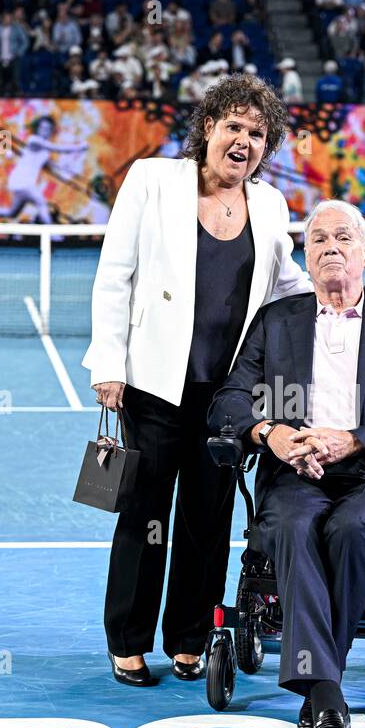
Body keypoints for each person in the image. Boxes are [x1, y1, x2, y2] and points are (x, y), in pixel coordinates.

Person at [81, 74, 312, 688]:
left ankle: (190, 637)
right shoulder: (152, 180)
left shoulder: (269, 205)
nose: (243, 140)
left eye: (257, 133)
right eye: (233, 126)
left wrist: (345, 304)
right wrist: (109, 364)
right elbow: (115, 275)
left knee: (208, 523)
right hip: (154, 386)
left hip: (225, 398)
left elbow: (285, 284)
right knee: (144, 514)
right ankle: (128, 640)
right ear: (208, 126)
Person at [207, 200, 365, 728]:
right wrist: (270, 434)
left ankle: (319, 685)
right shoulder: (277, 320)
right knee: (291, 525)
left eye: (343, 237)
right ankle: (328, 692)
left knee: (351, 528)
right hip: (297, 471)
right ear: (306, 257)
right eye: (317, 240)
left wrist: (355, 440)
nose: (330, 247)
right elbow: (229, 400)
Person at [0, 116, 87, 224]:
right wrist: (79, 147)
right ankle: (52, 234)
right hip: (21, 181)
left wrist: (67, 167)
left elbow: (50, 164)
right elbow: (58, 148)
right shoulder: (34, 140)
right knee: (41, 203)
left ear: (51, 131)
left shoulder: (45, 150)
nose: (44, 131)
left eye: (48, 129)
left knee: (12, 213)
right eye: (42, 128)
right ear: (38, 129)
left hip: (24, 183)